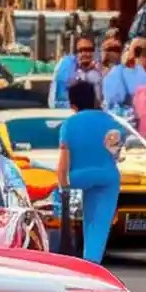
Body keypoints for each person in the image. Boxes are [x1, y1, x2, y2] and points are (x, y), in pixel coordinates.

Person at [57, 80, 122, 263]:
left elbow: (64, 161)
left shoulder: (69, 124)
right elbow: (115, 154)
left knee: (81, 220)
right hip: (107, 176)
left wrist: (63, 185)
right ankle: (92, 261)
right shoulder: (111, 122)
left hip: (77, 177)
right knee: (98, 227)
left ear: (72, 104)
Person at [51, 37, 102, 108]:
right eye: (81, 50)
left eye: (89, 50)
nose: (85, 54)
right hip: (64, 108)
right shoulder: (67, 64)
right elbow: (59, 99)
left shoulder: (96, 67)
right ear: (76, 53)